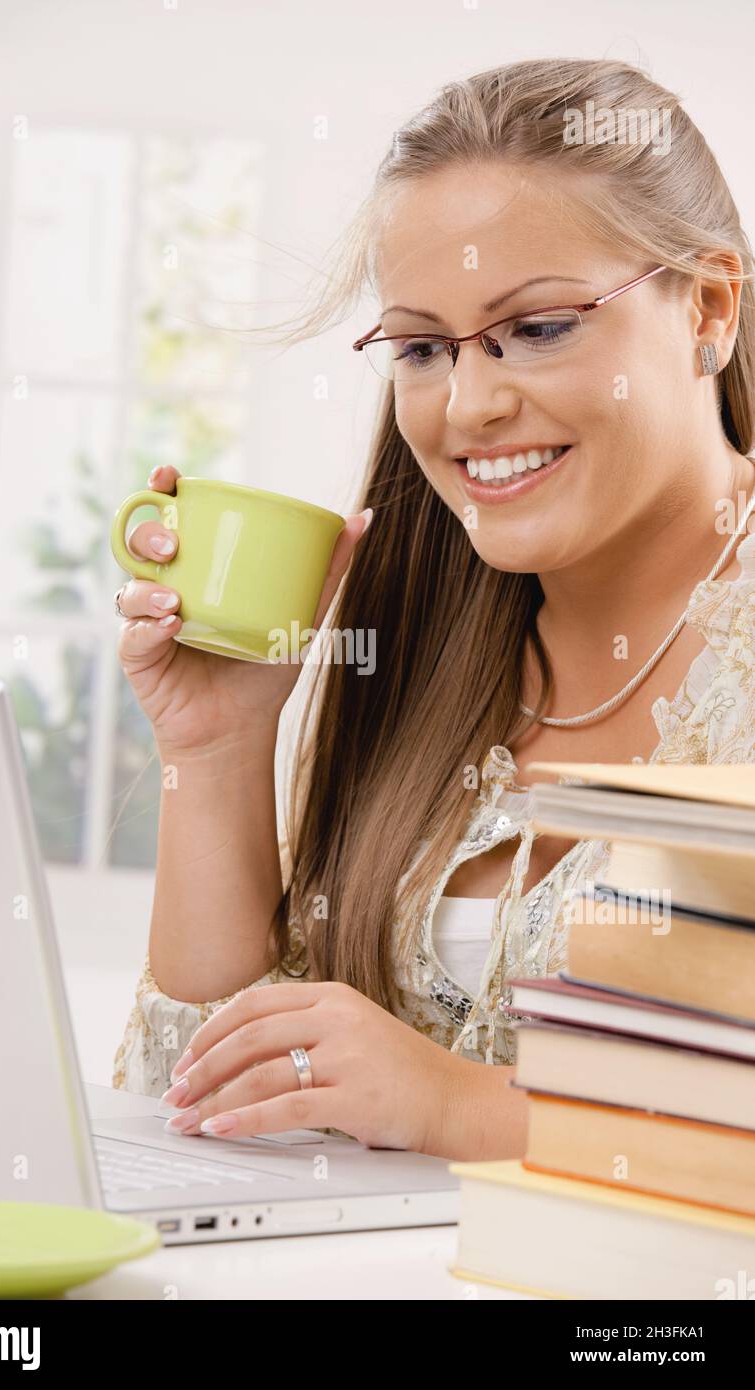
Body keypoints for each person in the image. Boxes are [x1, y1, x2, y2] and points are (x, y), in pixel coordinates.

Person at [111, 57, 755, 1161]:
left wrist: (458, 1107)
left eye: (538, 327)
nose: (467, 405)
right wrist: (217, 751)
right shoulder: (420, 655)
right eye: (419, 347)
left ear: (705, 306)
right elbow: (202, 1099)